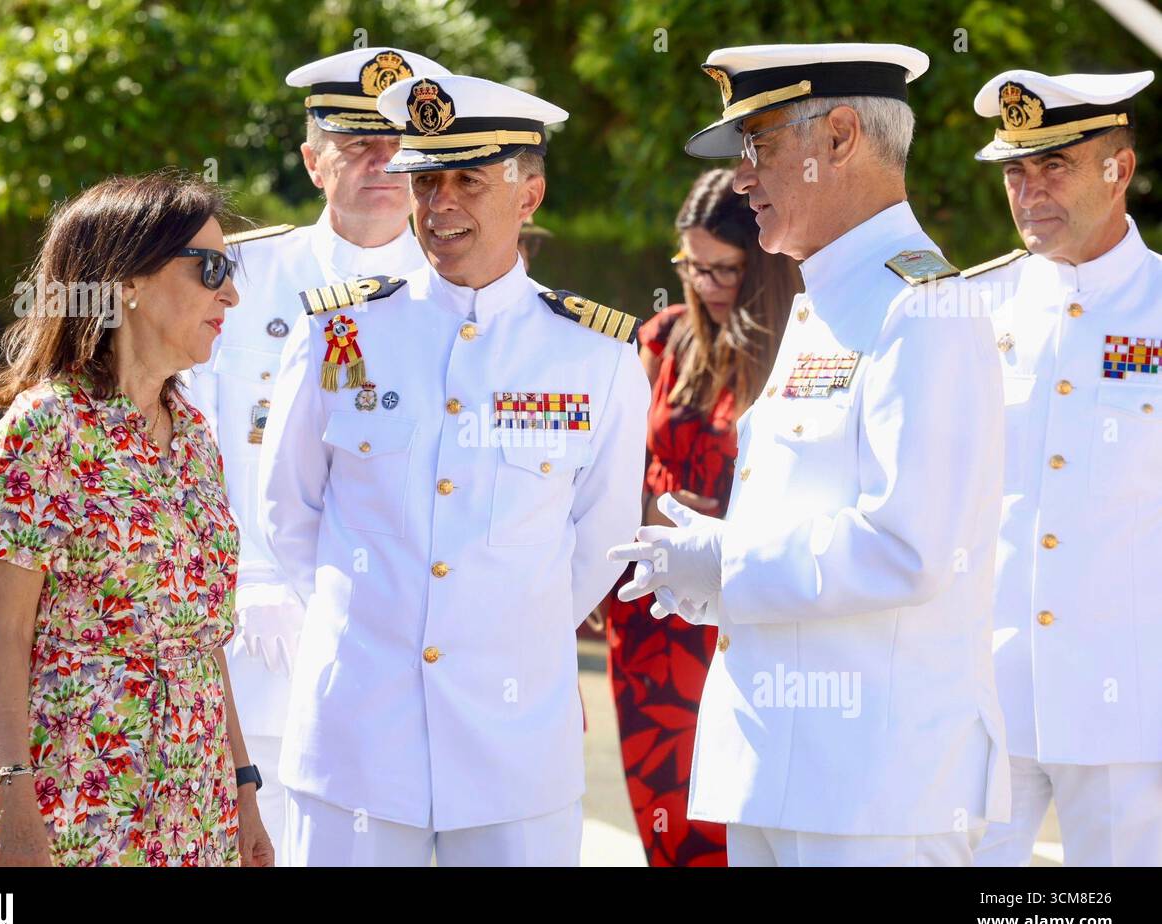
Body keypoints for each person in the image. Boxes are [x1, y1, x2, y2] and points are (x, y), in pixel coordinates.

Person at [609, 42, 1010, 866]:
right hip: (783, 775)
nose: (743, 177)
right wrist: (707, 578)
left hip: (873, 795)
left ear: (838, 137)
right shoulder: (826, 300)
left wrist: (725, 562)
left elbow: (911, 547)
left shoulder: (920, 308)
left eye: (759, 146)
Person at [258, 74, 649, 866]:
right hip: (356, 742)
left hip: (512, 754)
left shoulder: (594, 354)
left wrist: (501, 629)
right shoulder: (343, 331)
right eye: (426, 179)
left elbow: (599, 539)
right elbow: (288, 513)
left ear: (529, 194)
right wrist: (367, 624)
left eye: (469, 179)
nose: (439, 204)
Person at [180, 46, 447, 854]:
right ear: (312, 159)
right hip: (242, 649)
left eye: (398, 141)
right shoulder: (239, 277)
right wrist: (246, 577)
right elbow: (182, 444)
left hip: (387, 660)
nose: (382, 160)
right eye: (356, 141)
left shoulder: (459, 295)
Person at [0, 170, 273, 866]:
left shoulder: (195, 435)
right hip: (78, 802)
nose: (230, 293)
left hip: (196, 808)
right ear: (126, 281)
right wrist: (16, 805)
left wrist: (244, 786)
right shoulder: (45, 431)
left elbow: (201, 638)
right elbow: (3, 634)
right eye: (212, 269)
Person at [961, 70, 1162, 867]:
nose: (1030, 190)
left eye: (1056, 166)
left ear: (1121, 168)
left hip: (1128, 699)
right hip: (986, 696)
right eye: (1016, 170)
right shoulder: (973, 307)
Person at [606, 167, 800, 866]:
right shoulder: (661, 339)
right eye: (693, 267)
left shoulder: (802, 350)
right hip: (653, 625)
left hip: (746, 608)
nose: (709, 284)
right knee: (666, 817)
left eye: (727, 269)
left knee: (741, 822)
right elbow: (623, 466)